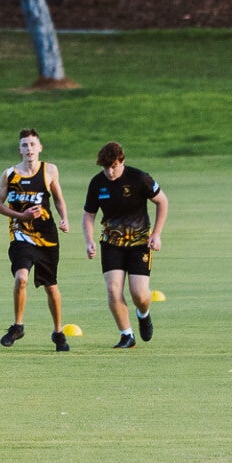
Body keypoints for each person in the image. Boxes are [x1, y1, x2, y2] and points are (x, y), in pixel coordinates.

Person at [80, 143, 168, 349]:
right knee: (113, 289)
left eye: (114, 167)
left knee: (139, 294)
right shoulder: (97, 183)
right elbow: (89, 214)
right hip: (112, 243)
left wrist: (156, 234)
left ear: (122, 161)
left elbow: (162, 202)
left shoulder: (139, 178)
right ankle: (126, 335)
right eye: (105, 168)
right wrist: (89, 240)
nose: (110, 172)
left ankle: (143, 314)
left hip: (139, 243)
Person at [0, 128, 71, 350]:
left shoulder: (50, 171)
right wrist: (22, 216)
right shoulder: (9, 174)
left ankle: (58, 332)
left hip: (47, 236)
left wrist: (64, 219)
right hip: (20, 233)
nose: (29, 149)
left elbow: (58, 199)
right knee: (21, 278)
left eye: (32, 144)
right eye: (25, 145)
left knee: (51, 285)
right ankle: (18, 326)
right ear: (19, 149)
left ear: (40, 148)